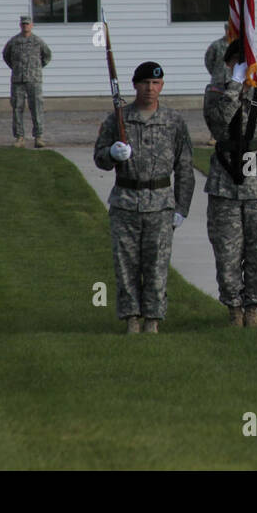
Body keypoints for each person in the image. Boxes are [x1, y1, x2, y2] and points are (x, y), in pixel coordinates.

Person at [93, 61, 195, 334]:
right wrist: (112, 154)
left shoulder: (174, 121)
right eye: (145, 83)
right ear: (135, 85)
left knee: (157, 264)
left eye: (155, 83)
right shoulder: (118, 118)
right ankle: (131, 318)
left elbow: (185, 167)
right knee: (125, 263)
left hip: (160, 203)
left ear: (162, 86)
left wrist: (182, 207)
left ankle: (153, 319)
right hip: (126, 200)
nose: (150, 89)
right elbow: (99, 158)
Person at [203, 40, 257, 327]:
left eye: (248, 63)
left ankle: (253, 307)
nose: (243, 67)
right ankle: (234, 308)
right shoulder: (215, 93)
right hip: (225, 182)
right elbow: (219, 125)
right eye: (237, 63)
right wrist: (234, 86)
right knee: (227, 251)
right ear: (228, 65)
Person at [2, 15, 52, 148]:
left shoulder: (38, 41)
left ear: (32, 25)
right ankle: (19, 138)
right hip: (18, 80)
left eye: (27, 24)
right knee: (17, 108)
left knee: (36, 108)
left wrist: (36, 68)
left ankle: (39, 137)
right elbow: (6, 56)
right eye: (23, 24)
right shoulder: (14, 41)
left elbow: (47, 55)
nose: (25, 26)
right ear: (20, 25)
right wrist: (16, 68)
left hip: (34, 80)